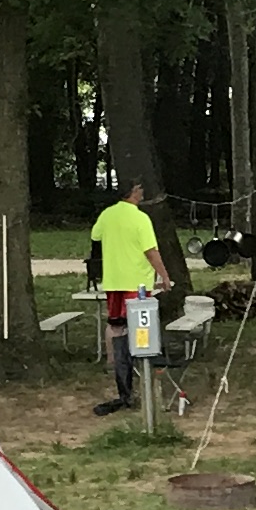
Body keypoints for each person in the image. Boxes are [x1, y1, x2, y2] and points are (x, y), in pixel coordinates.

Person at [88, 178, 165, 415]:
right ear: (134, 192)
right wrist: (165, 276)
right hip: (137, 283)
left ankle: (117, 367)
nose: (142, 193)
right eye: (141, 189)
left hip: (113, 281)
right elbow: (151, 252)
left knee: (116, 325)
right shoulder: (141, 218)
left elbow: (96, 237)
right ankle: (141, 364)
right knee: (140, 327)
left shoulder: (107, 215)